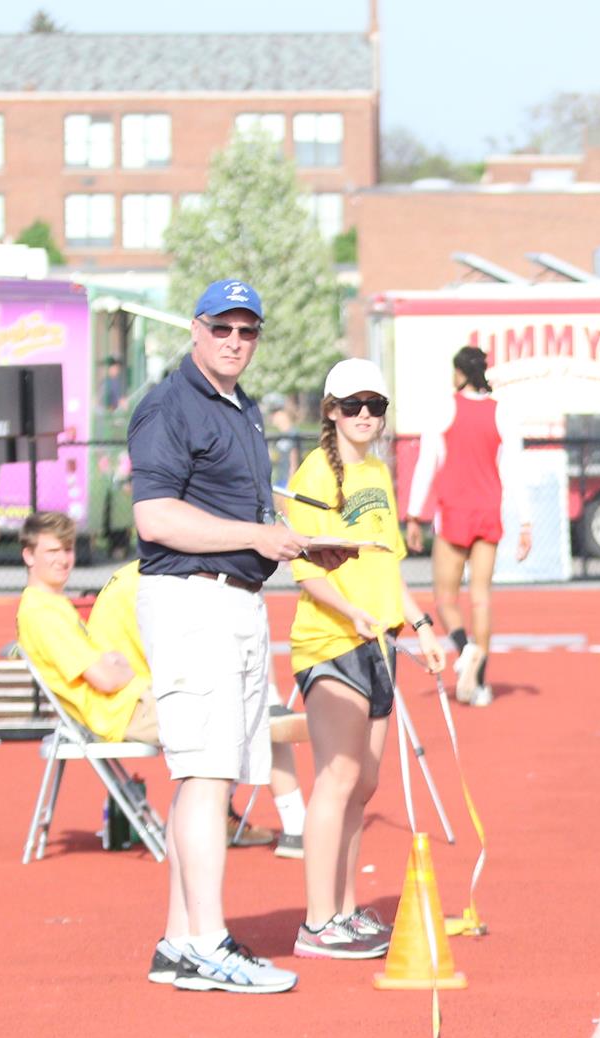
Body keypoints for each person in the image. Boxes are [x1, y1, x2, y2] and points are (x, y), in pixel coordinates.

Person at [127, 277, 347, 996]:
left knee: (207, 770)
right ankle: (204, 942)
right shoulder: (169, 404)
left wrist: (299, 545)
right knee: (205, 772)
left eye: (247, 330)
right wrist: (259, 535)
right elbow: (155, 519)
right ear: (195, 328)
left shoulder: (241, 408)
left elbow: (241, 516)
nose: (235, 341)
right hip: (194, 601)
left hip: (235, 600)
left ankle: (181, 942)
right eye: (223, 327)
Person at [284, 357, 449, 960]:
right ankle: (317, 921)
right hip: (332, 644)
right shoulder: (313, 475)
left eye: (374, 406)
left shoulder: (378, 471)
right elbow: (303, 567)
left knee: (365, 783)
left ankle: (346, 910)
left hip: (380, 641)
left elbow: (387, 567)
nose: (364, 416)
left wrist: (423, 625)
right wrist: (349, 612)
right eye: (352, 405)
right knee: (338, 776)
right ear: (330, 411)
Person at [15, 514, 305, 852]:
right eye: (52, 550)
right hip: (125, 711)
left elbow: (109, 666)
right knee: (247, 714)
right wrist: (117, 669)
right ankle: (290, 826)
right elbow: (107, 677)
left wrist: (116, 666)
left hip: (132, 703)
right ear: (28, 555)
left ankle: (261, 819)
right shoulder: (42, 612)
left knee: (246, 712)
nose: (63, 559)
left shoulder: (54, 606)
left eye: (67, 549)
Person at [406, 345, 533, 706]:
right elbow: (514, 469)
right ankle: (480, 681)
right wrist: (525, 522)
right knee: (481, 598)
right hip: (488, 509)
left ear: (459, 373)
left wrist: (414, 514)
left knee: (445, 598)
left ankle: (464, 652)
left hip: (454, 510)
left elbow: (427, 462)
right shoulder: (501, 411)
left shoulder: (445, 407)